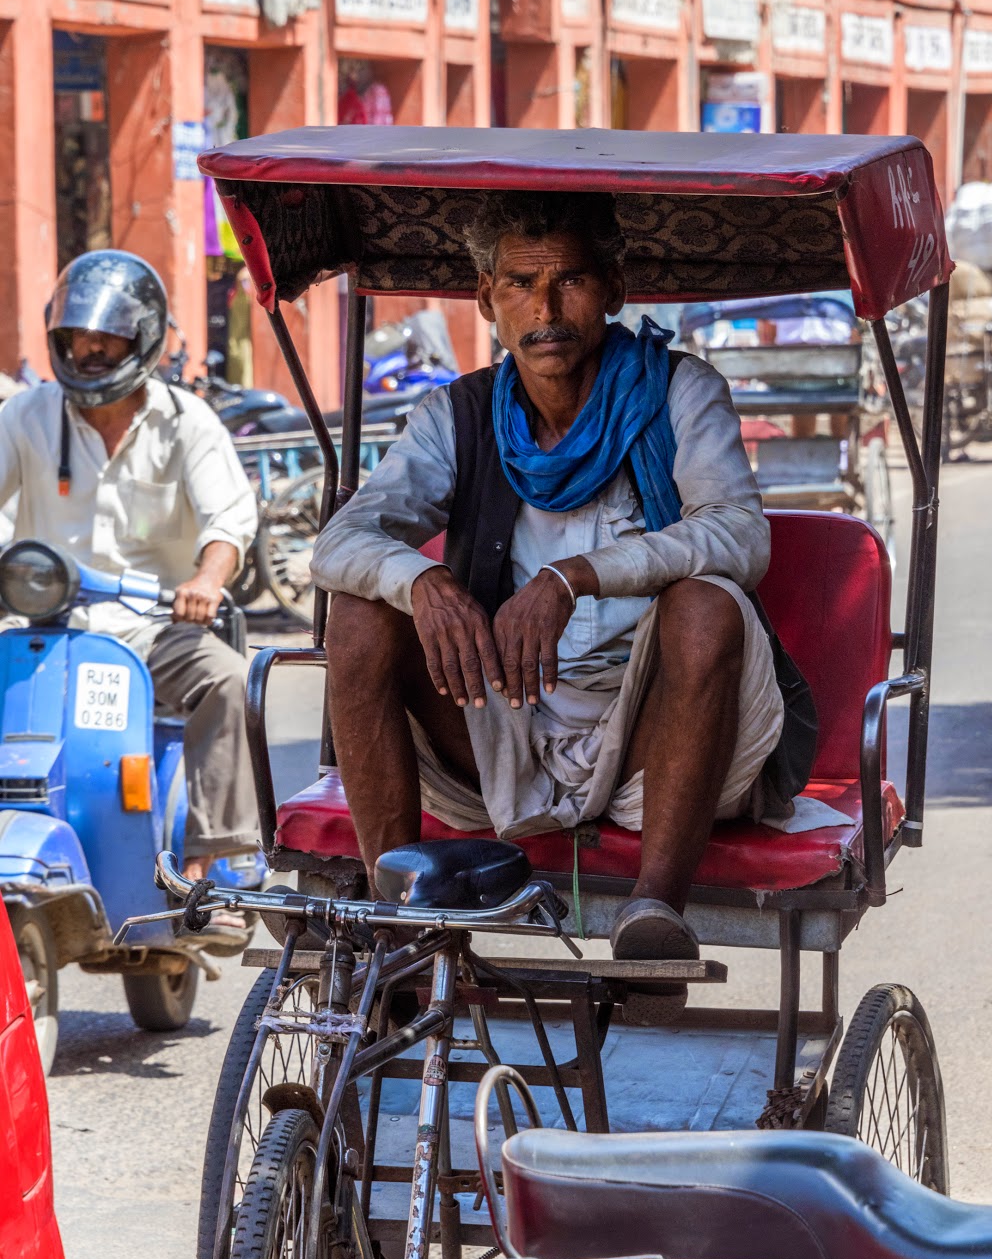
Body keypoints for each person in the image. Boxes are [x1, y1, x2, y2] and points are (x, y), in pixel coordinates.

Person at [312, 192, 809, 1015]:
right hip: (507, 726)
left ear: (613, 289)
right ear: (487, 300)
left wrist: (576, 575)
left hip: (665, 735)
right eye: (520, 286)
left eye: (570, 281)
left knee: (708, 605)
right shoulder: (460, 416)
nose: (545, 311)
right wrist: (424, 583)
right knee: (361, 613)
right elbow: (340, 542)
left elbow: (739, 535)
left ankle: (654, 912)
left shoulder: (679, 393)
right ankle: (396, 925)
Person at [0, 250, 261, 954]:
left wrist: (207, 581)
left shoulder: (187, 422)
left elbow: (228, 521)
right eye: (76, 338)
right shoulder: (25, 416)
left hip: (153, 630)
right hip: (43, 631)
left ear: (141, 341)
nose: (87, 352)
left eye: (104, 340)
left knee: (229, 680)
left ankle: (209, 868)